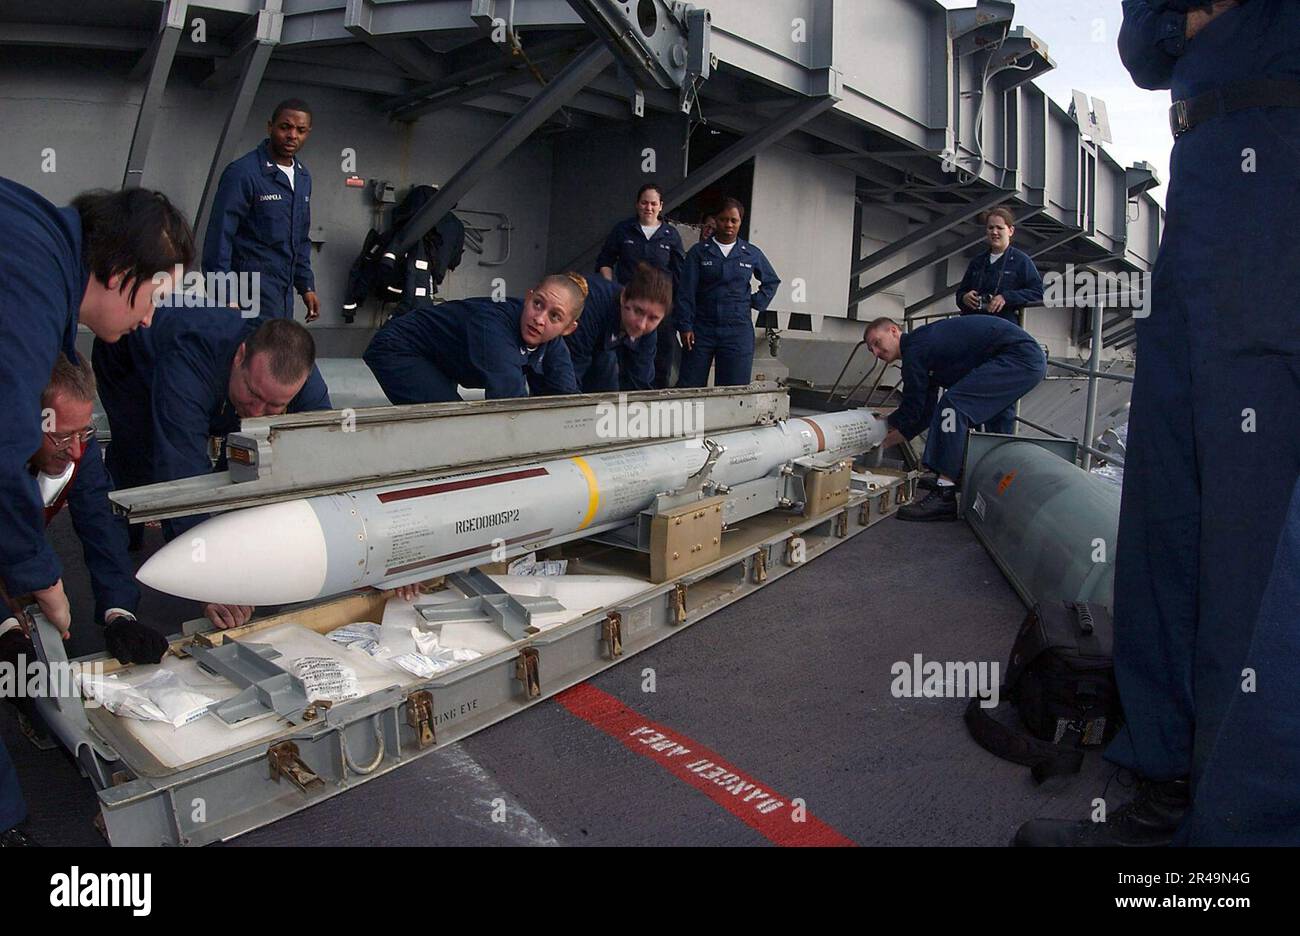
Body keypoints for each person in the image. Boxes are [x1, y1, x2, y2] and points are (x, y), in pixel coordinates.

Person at [1017, 0, 1300, 847]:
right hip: (1201, 184)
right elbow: (1144, 47)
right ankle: (1165, 779)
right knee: (1166, 506)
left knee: (1251, 524)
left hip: (1280, 179)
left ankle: (1241, 831)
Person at [0, 178, 194, 848]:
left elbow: (94, 518)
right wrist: (37, 581)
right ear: (118, 272)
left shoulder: (35, 243)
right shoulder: (29, 278)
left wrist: (114, 609)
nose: (147, 321)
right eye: (152, 299)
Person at [93, 309, 331, 630]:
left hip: (212, 386)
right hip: (130, 363)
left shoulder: (301, 379)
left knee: (244, 453)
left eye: (275, 406)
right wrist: (210, 582)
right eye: (254, 393)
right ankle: (121, 548)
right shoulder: (188, 364)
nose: (258, 412)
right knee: (143, 455)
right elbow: (181, 473)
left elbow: (324, 453)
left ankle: (222, 541)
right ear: (240, 357)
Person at [2, 356, 168, 755]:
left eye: (85, 432)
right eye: (61, 437)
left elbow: (100, 525)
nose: (75, 451)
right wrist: (5, 629)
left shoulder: (78, 446)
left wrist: (118, 612)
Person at [864, 316, 1046, 522]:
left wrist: (883, 426)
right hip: (1020, 358)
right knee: (995, 421)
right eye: (871, 350)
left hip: (1016, 357)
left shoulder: (915, 350)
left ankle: (945, 493)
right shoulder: (922, 347)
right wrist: (887, 441)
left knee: (953, 407)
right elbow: (925, 412)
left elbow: (911, 408)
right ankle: (989, 482)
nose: (877, 353)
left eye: (877, 343)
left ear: (894, 331)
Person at [363, 274, 584, 403]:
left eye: (555, 316)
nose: (540, 319)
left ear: (568, 328)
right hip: (399, 347)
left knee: (450, 418)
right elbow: (509, 404)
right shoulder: (493, 324)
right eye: (538, 304)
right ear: (528, 298)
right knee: (450, 422)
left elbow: (565, 399)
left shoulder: (552, 342)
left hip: (440, 361)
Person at [203, 99, 319, 322]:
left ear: (308, 133)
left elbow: (301, 238)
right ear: (270, 127)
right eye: (285, 127)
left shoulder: (303, 177)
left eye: (300, 130)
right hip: (248, 292)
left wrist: (306, 286)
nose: (292, 135)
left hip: (282, 294)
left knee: (277, 352)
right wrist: (225, 297)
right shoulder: (243, 173)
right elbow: (219, 238)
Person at [675, 198, 781, 388]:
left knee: (733, 389)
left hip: (737, 331)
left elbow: (771, 281)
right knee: (690, 386)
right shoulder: (699, 252)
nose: (729, 225)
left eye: (734, 220)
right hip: (702, 328)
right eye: (724, 219)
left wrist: (755, 301)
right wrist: (685, 326)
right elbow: (686, 292)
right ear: (716, 220)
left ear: (741, 222)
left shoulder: (750, 253)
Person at [595, 184, 686, 390]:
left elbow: (680, 273)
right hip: (629, 305)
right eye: (644, 202)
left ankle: (652, 401)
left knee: (661, 358)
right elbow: (605, 261)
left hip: (659, 310)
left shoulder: (670, 235)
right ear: (637, 204)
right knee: (619, 357)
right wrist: (612, 289)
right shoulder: (623, 230)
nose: (649, 207)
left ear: (661, 206)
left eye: (654, 203)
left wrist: (675, 306)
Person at [565, 264, 672, 393]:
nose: (642, 325)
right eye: (638, 311)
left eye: (653, 318)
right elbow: (570, 372)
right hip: (554, 350)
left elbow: (640, 384)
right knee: (606, 362)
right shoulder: (592, 305)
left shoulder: (647, 331)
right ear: (624, 297)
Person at [956, 208, 1043, 325]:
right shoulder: (977, 261)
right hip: (974, 325)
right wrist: (964, 298)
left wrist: (1006, 298)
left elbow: (1038, 292)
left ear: (1011, 231)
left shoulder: (1021, 260)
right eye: (990, 228)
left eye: (1000, 228)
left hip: (1003, 327)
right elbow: (960, 293)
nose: (994, 232)